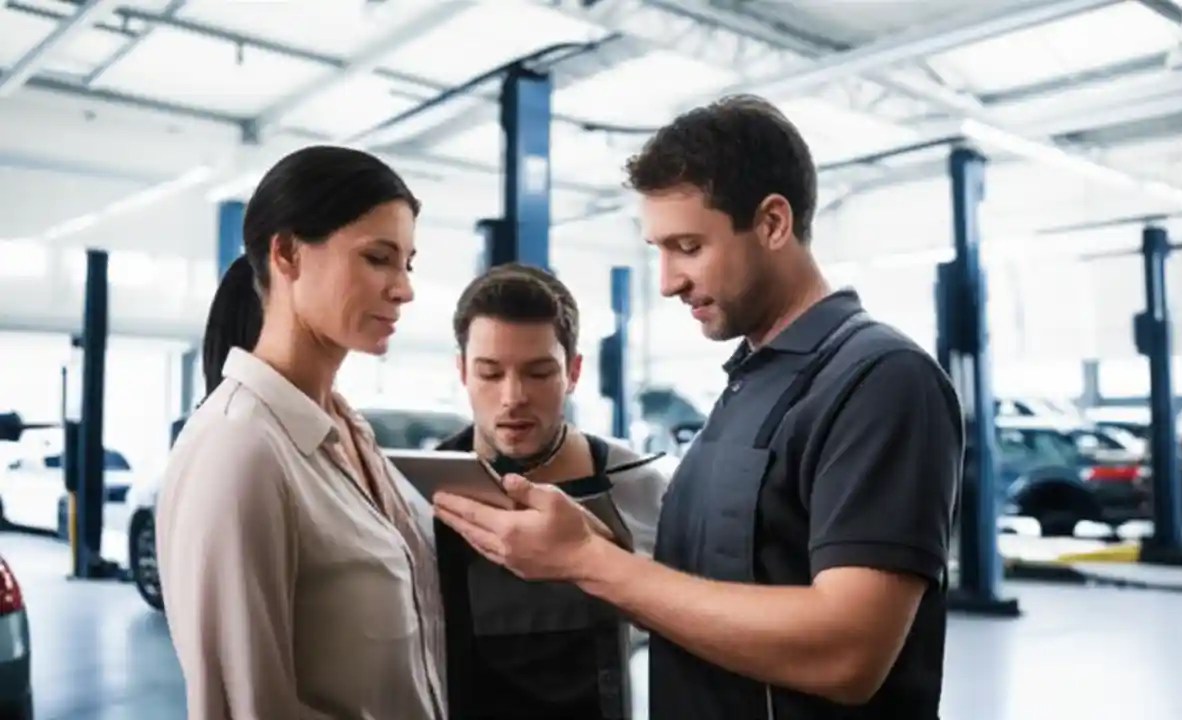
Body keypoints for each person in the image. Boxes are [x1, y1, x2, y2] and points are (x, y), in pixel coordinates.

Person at [432, 95, 964, 720]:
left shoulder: (879, 381)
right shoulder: (750, 386)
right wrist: (582, 546)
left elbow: (848, 651)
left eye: (687, 246)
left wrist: (590, 561)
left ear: (771, 223)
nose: (667, 280)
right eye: (658, 249)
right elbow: (700, 598)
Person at [156, 145, 447, 719]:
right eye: (377, 258)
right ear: (287, 253)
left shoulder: (348, 432)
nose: (403, 288)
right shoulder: (239, 449)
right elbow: (243, 706)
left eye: (407, 263)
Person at [432, 262, 668, 719]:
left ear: (574, 371)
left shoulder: (642, 489)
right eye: (490, 373)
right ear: (462, 371)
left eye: (539, 373)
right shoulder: (420, 493)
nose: (513, 396)